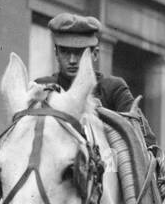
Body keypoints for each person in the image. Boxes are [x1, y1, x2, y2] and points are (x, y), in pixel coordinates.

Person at [35, 14, 155, 143]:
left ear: (95, 54)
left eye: (80, 53)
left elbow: (145, 141)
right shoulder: (43, 89)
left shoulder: (113, 90)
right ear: (56, 53)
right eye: (65, 52)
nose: (72, 60)